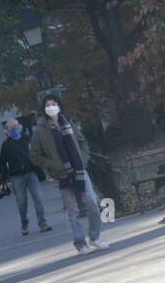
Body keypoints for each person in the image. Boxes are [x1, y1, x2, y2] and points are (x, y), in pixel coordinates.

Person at [29, 94, 107, 255]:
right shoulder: (40, 130)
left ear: (59, 105)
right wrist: (52, 165)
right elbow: (34, 155)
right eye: (48, 105)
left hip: (79, 170)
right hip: (62, 174)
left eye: (54, 103)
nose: (51, 107)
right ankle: (80, 244)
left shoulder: (68, 122)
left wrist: (83, 159)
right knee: (73, 211)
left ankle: (94, 236)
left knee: (92, 202)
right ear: (44, 108)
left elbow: (82, 141)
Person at [0, 118, 51, 236]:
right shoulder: (6, 145)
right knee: (22, 202)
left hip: (31, 173)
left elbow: (37, 153)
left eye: (15, 126)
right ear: (6, 130)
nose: (14, 129)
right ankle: (24, 222)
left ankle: (42, 223)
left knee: (38, 197)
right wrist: (4, 180)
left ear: (20, 126)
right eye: (10, 127)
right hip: (16, 176)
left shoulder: (27, 139)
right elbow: (2, 163)